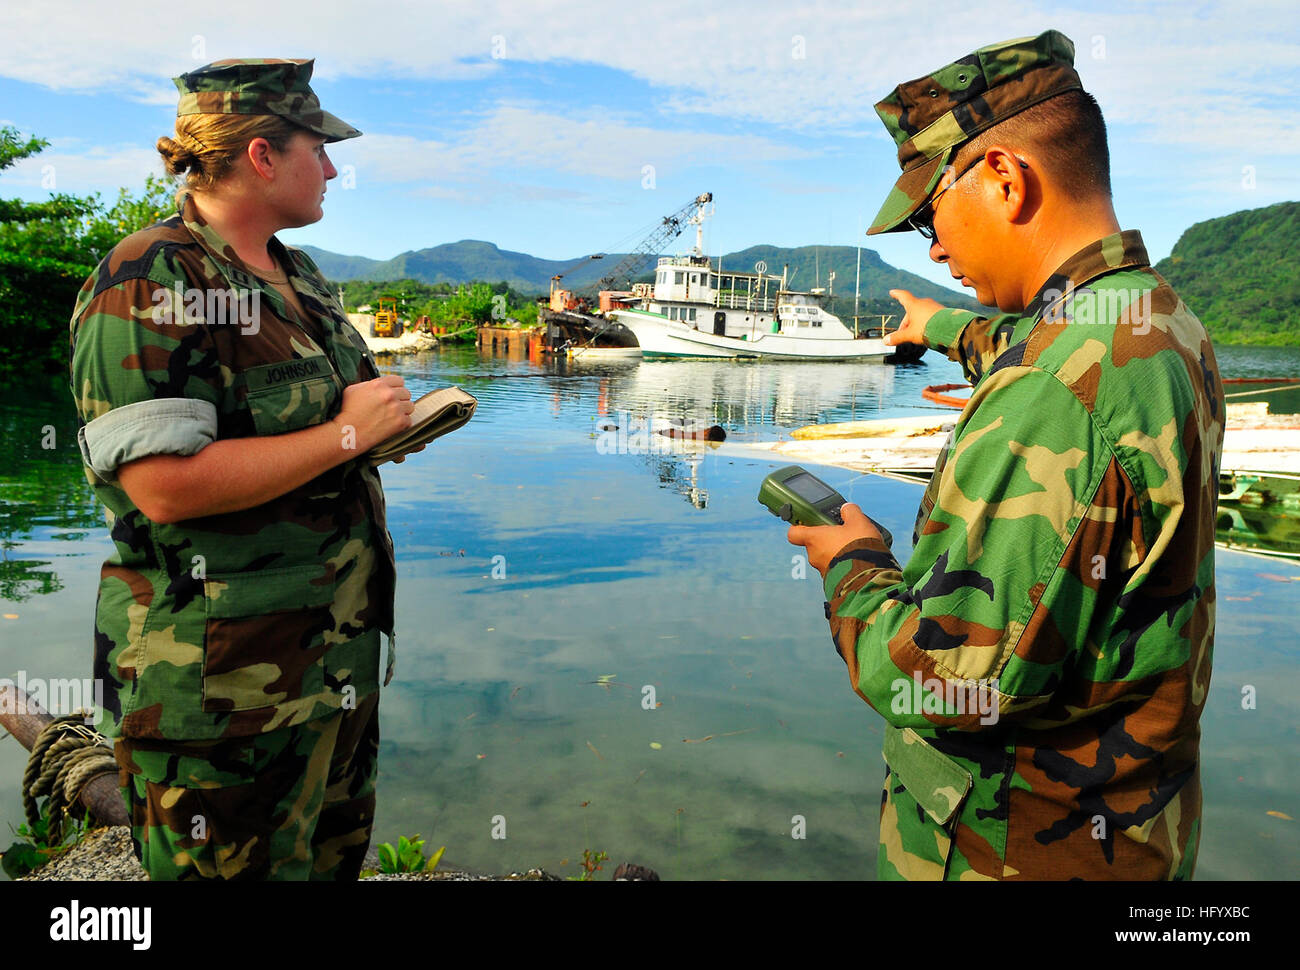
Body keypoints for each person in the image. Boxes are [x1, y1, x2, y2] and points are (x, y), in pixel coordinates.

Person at [788, 30, 1223, 880]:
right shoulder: (1158, 321)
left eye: (929, 215)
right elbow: (1032, 346)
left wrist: (853, 561)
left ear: (1003, 178)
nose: (934, 248)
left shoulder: (1051, 391)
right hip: (1134, 835)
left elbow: (939, 676)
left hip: (1014, 845)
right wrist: (937, 325)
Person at [67, 58, 415, 880]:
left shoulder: (301, 278)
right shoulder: (152, 278)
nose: (332, 170)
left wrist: (384, 430)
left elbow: (324, 433)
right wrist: (345, 436)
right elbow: (162, 486)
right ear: (262, 155)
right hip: (217, 696)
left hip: (332, 668)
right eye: (318, 150)